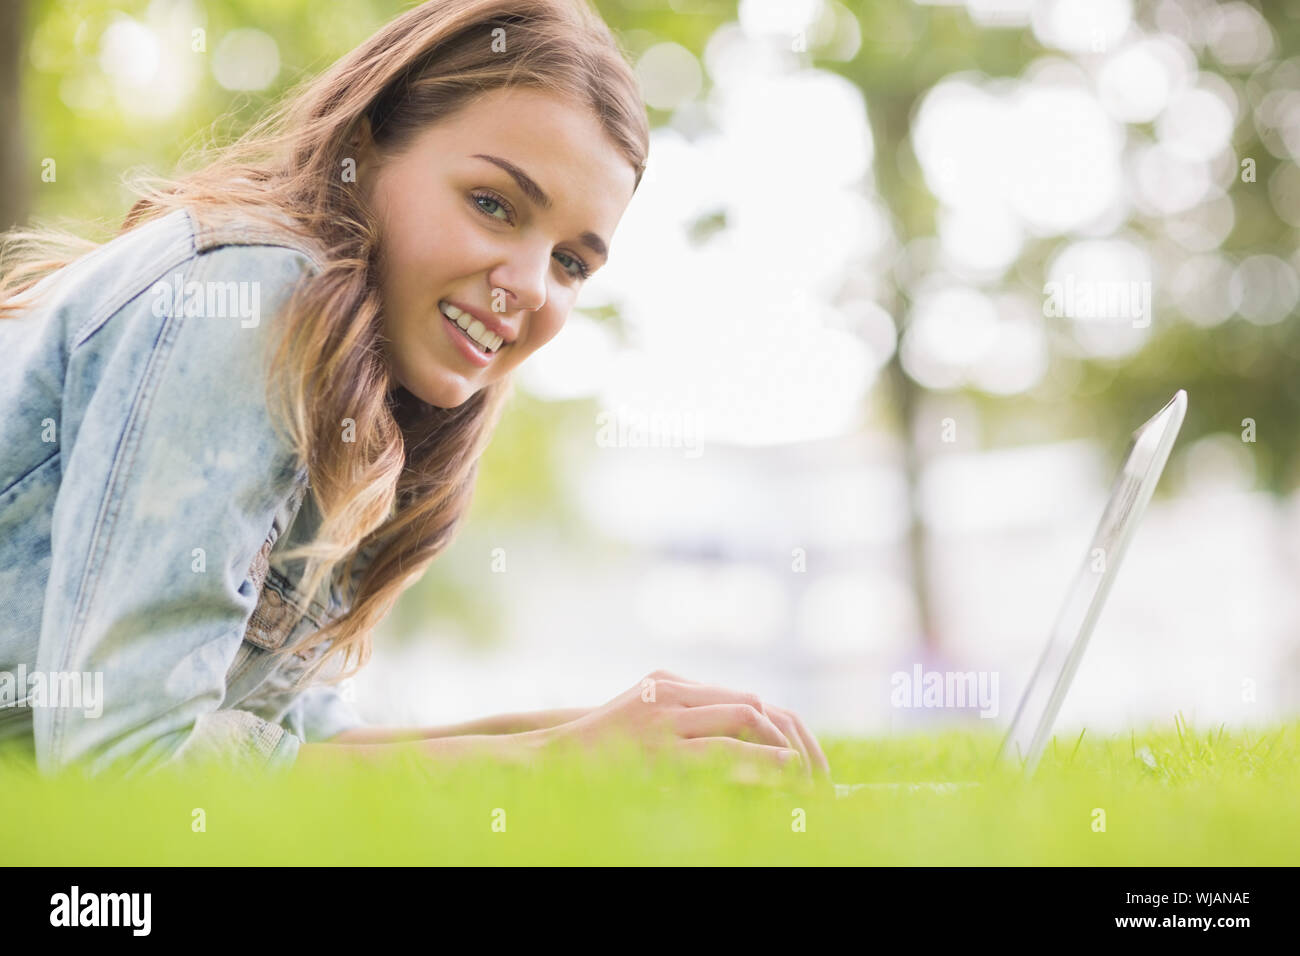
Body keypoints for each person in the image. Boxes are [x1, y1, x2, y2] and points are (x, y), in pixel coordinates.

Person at [0, 0, 829, 784]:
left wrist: (596, 739)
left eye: (572, 262)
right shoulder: (251, 297)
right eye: (494, 205)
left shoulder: (367, 395)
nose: (530, 288)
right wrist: (555, 762)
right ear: (366, 152)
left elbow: (292, 739)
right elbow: (126, 758)